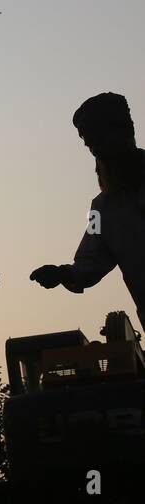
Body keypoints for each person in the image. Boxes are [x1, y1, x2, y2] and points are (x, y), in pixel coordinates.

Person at [31, 93, 145, 331]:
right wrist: (62, 274)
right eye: (88, 143)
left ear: (125, 130)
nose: (94, 150)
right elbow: (89, 262)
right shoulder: (100, 210)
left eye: (97, 139)